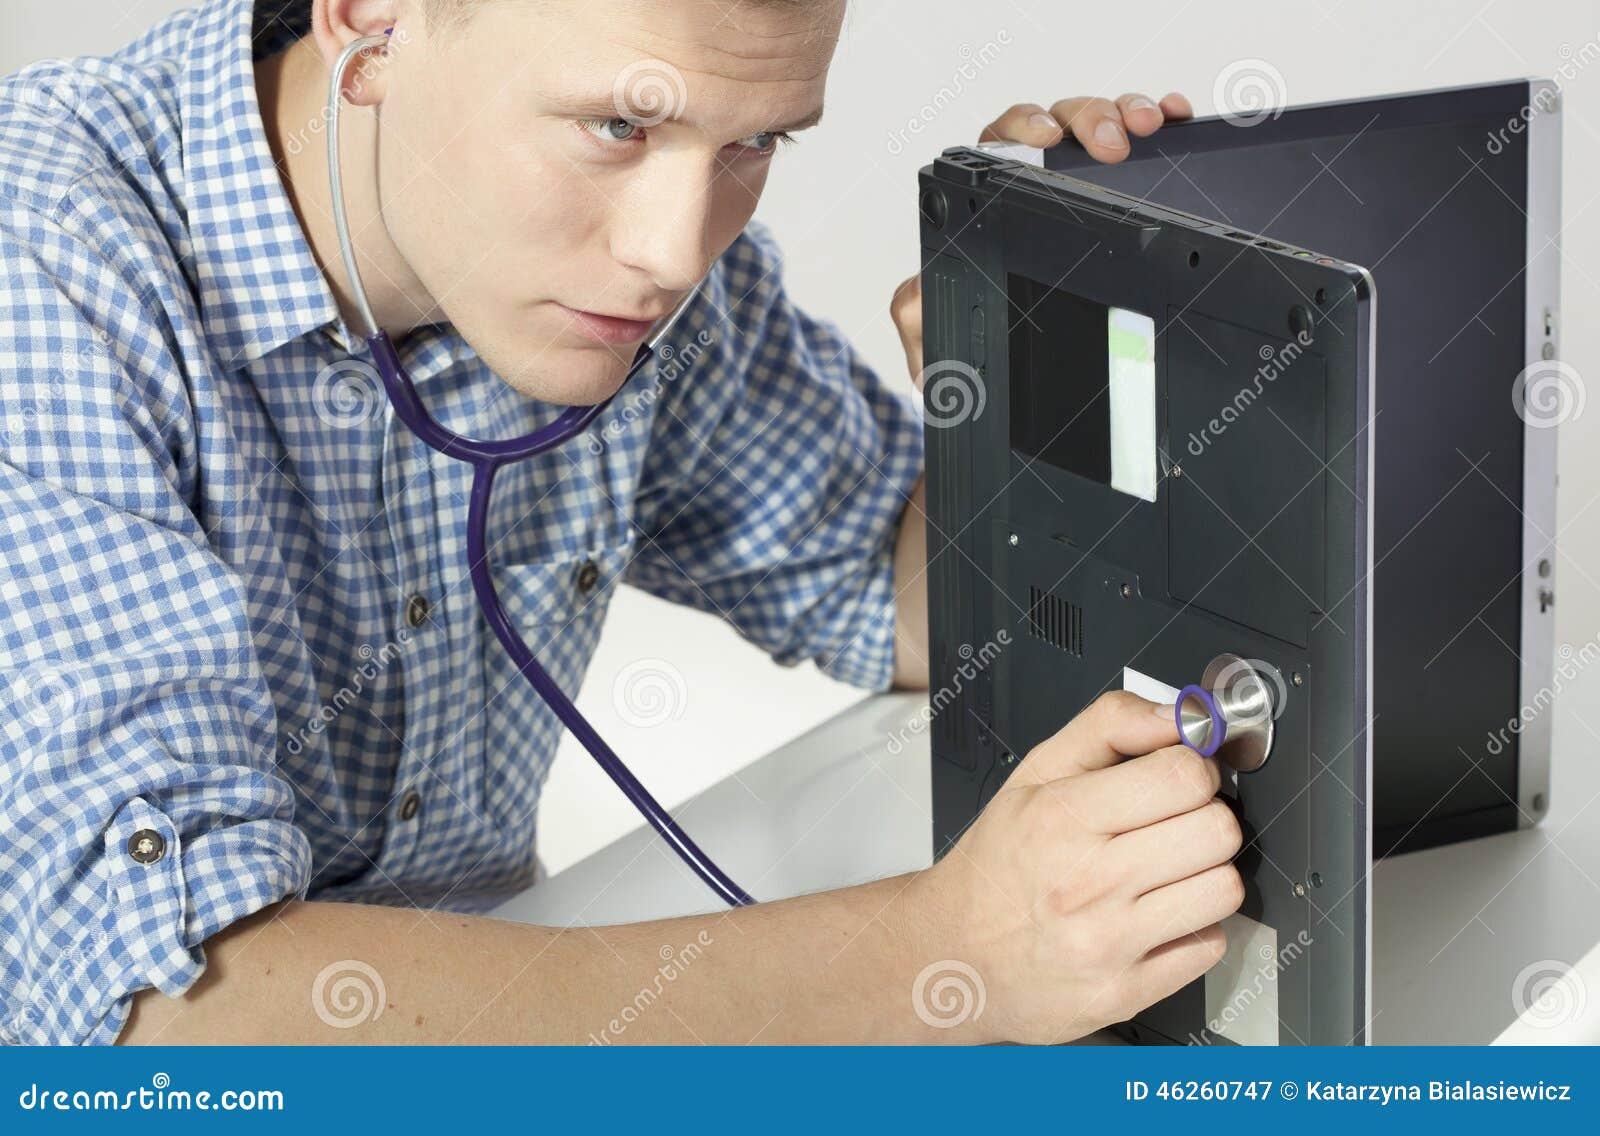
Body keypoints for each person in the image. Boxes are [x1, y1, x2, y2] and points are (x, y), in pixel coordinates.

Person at [0, 0, 1241, 1046]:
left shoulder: (633, 279)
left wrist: (1032, 379)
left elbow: (910, 610)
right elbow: (163, 1030)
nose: (672, 253)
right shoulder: (43, 260)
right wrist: (941, 954)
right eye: (617, 125)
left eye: (755, 143)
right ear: (370, 25)